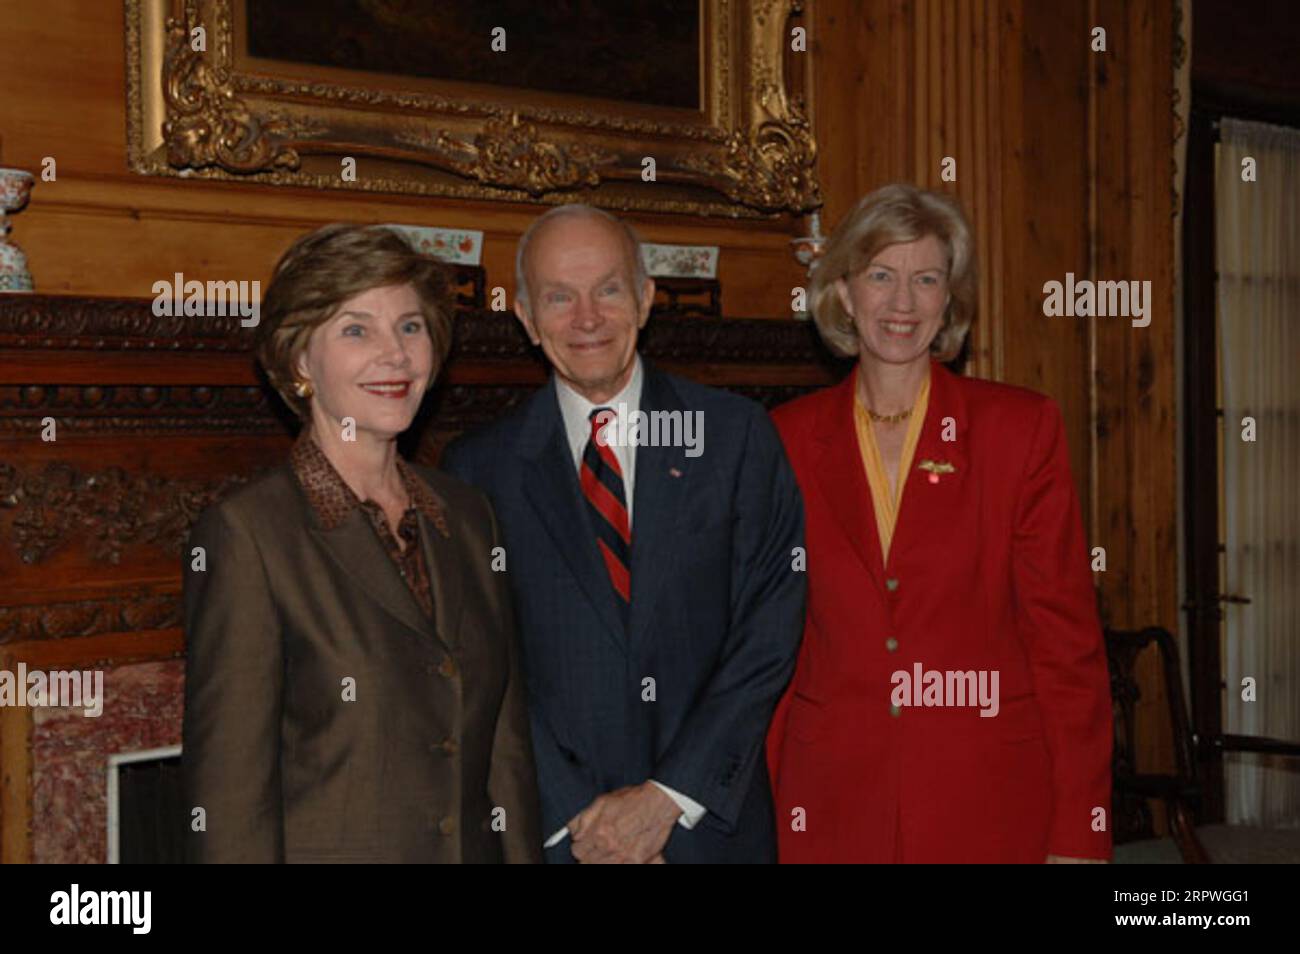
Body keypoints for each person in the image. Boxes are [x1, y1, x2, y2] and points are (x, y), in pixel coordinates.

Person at [441, 204, 805, 863]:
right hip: (561, 840)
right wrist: (586, 827)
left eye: (608, 289)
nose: (586, 318)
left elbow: (769, 632)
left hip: (707, 832)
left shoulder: (735, 436)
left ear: (644, 299)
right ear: (524, 316)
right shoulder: (477, 469)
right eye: (559, 296)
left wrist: (666, 799)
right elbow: (483, 662)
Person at [766, 184, 1112, 863]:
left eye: (926, 279)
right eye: (881, 276)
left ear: (950, 299)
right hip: (829, 804)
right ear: (841, 291)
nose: (902, 303)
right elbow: (768, 645)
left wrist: (1082, 832)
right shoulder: (783, 439)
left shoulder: (1020, 430)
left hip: (989, 800)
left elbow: (1066, 648)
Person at [182, 224, 541, 863]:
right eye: (356, 329)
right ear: (299, 361)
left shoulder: (468, 515)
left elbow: (505, 750)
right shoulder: (248, 535)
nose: (396, 355)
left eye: (410, 326)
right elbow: (229, 803)